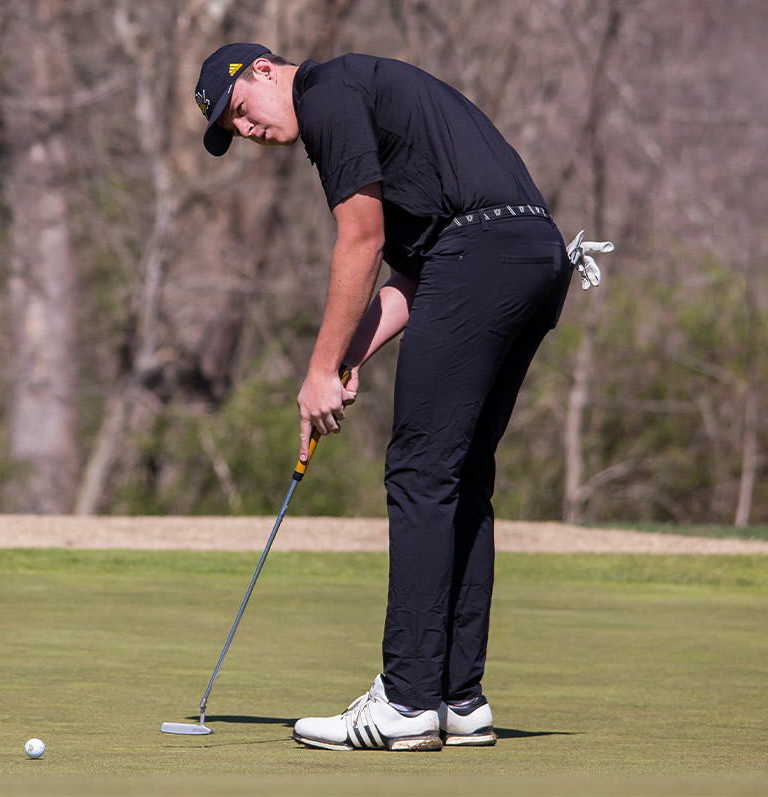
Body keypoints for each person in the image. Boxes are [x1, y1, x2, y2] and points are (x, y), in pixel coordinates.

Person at [195, 43, 603, 752]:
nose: (249, 130)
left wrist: (318, 369)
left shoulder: (324, 90)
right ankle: (456, 697)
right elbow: (416, 276)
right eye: (236, 132)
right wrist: (348, 358)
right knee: (460, 473)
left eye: (240, 112)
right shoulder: (368, 100)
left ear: (262, 69)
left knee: (418, 471)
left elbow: (361, 237)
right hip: (532, 256)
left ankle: (407, 701)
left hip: (482, 259)